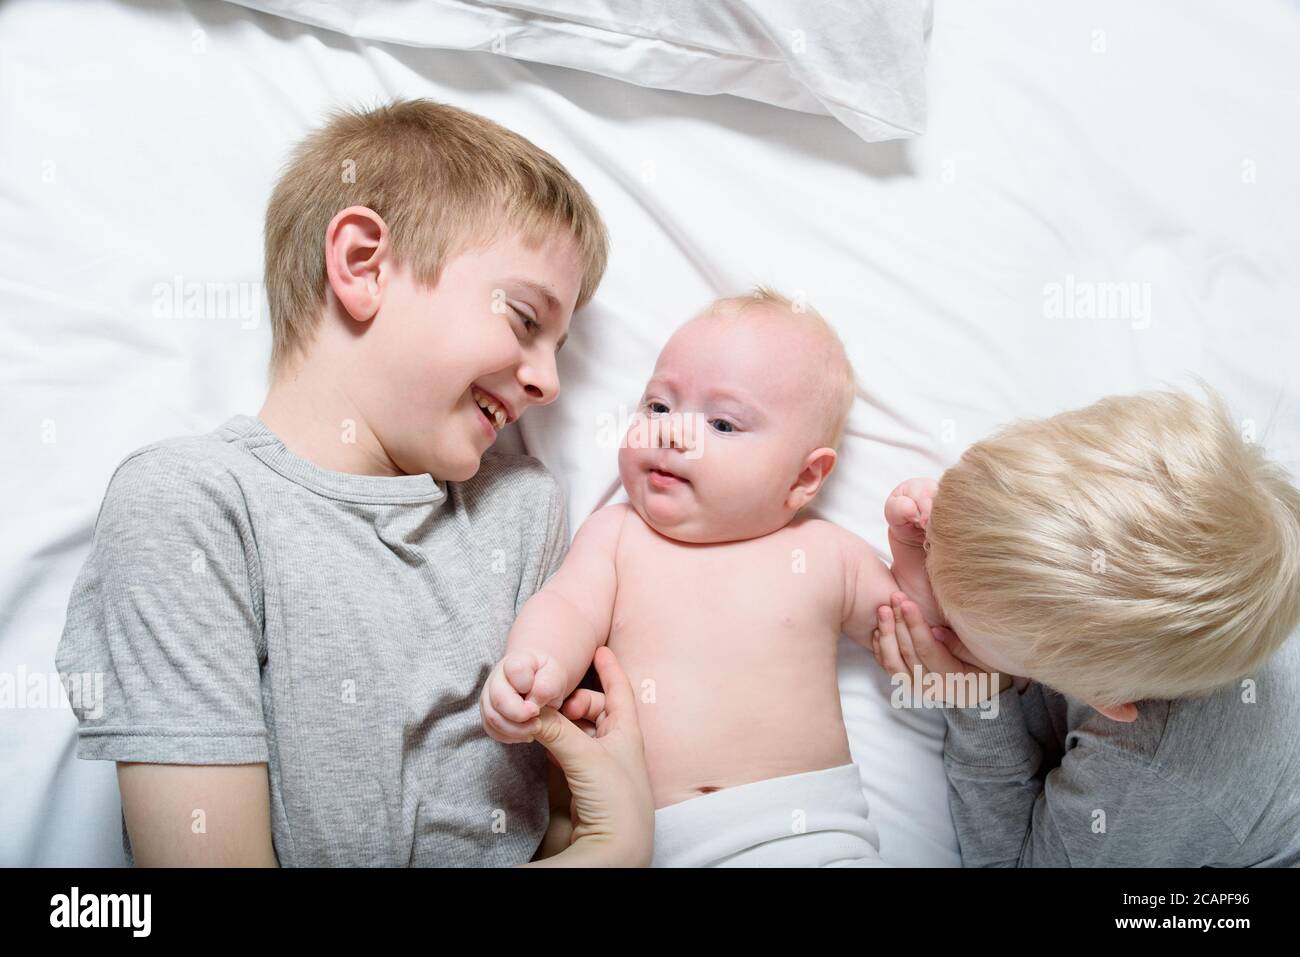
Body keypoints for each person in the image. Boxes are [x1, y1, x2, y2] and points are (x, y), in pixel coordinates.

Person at [55, 98, 611, 866]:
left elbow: (546, 813)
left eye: (561, 344)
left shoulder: (522, 511)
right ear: (363, 264)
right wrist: (614, 850)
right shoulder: (194, 506)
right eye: (523, 318)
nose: (548, 381)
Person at [872, 390, 1300, 866]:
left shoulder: (1144, 778)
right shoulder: (1231, 557)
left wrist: (977, 702)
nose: (922, 559)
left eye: (957, 629)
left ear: (1109, 702)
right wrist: (959, 539)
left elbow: (1014, 861)